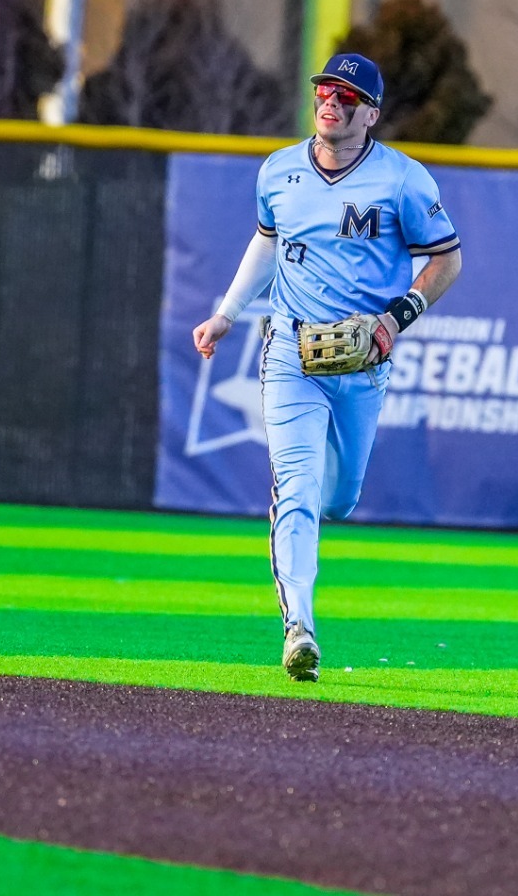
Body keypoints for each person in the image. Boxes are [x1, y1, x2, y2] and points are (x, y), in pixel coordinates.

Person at [190, 53, 463, 682]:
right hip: (290, 350)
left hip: (363, 358)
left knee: (339, 497)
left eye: (346, 96)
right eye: (324, 92)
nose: (330, 103)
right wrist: (229, 313)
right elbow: (267, 241)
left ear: (370, 113)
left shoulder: (403, 181)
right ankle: (300, 628)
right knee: (297, 487)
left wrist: (396, 318)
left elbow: (447, 260)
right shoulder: (279, 171)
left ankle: (308, 578)